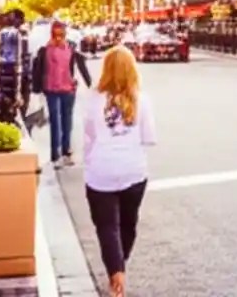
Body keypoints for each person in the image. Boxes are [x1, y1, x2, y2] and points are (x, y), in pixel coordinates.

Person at [84, 46, 156, 297]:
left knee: (106, 227)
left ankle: (116, 273)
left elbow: (89, 135)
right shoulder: (141, 99)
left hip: (100, 170)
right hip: (133, 170)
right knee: (128, 223)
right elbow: (149, 137)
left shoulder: (94, 99)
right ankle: (118, 269)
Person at [33, 21, 92, 167]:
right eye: (55, 35)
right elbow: (37, 70)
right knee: (55, 122)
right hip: (51, 89)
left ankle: (66, 153)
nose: (58, 38)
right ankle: (55, 155)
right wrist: (37, 89)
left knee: (67, 122)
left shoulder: (71, 48)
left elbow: (81, 66)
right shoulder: (44, 50)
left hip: (68, 89)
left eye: (61, 35)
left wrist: (89, 83)